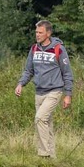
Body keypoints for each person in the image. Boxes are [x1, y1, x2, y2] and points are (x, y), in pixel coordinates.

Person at [15, 19, 73, 158]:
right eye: (36, 32)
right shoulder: (34, 49)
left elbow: (67, 72)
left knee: (40, 119)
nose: (37, 35)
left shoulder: (58, 48)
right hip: (39, 92)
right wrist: (21, 84)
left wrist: (68, 94)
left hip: (54, 91)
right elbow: (29, 70)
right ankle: (52, 159)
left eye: (40, 32)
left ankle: (43, 154)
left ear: (48, 33)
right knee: (46, 124)